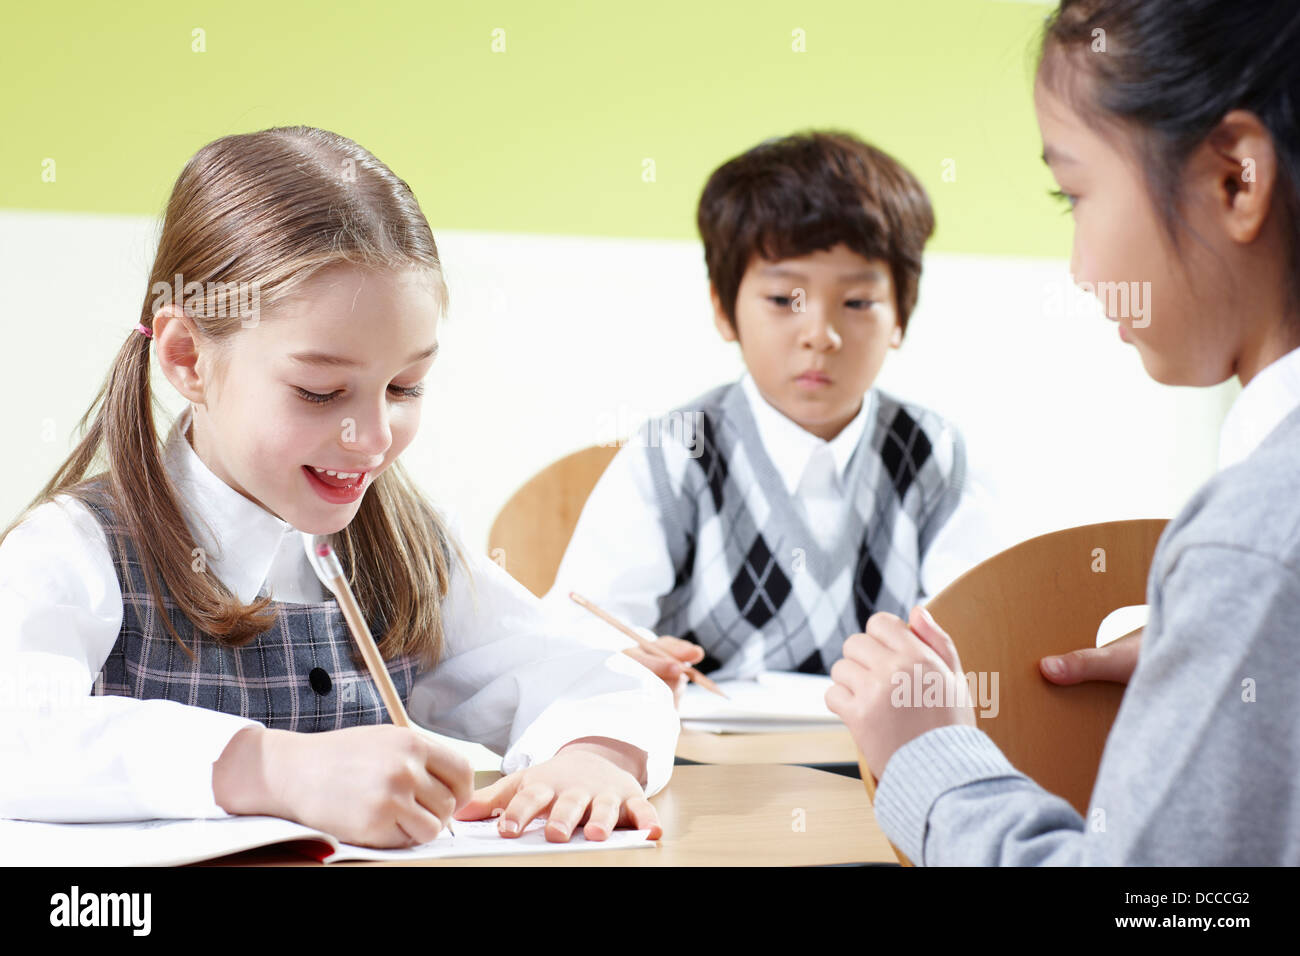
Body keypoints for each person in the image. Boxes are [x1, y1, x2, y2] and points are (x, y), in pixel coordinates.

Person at [0, 126, 677, 849]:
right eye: (321, 392)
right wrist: (274, 770)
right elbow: (18, 731)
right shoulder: (80, 546)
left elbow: (585, 676)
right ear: (187, 356)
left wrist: (592, 758)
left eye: (405, 386)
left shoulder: (403, 548)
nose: (375, 436)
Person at [828, 0, 1300, 864]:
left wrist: (928, 758)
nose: (1080, 269)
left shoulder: (1258, 535)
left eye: (1073, 192)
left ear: (1238, 178)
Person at [545, 131, 1005, 698]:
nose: (820, 335)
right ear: (723, 308)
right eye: (784, 299)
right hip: (709, 768)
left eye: (858, 302)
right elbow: (582, 626)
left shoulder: (938, 457)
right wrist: (629, 657)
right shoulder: (674, 451)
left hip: (880, 767)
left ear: (902, 316)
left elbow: (983, 634)